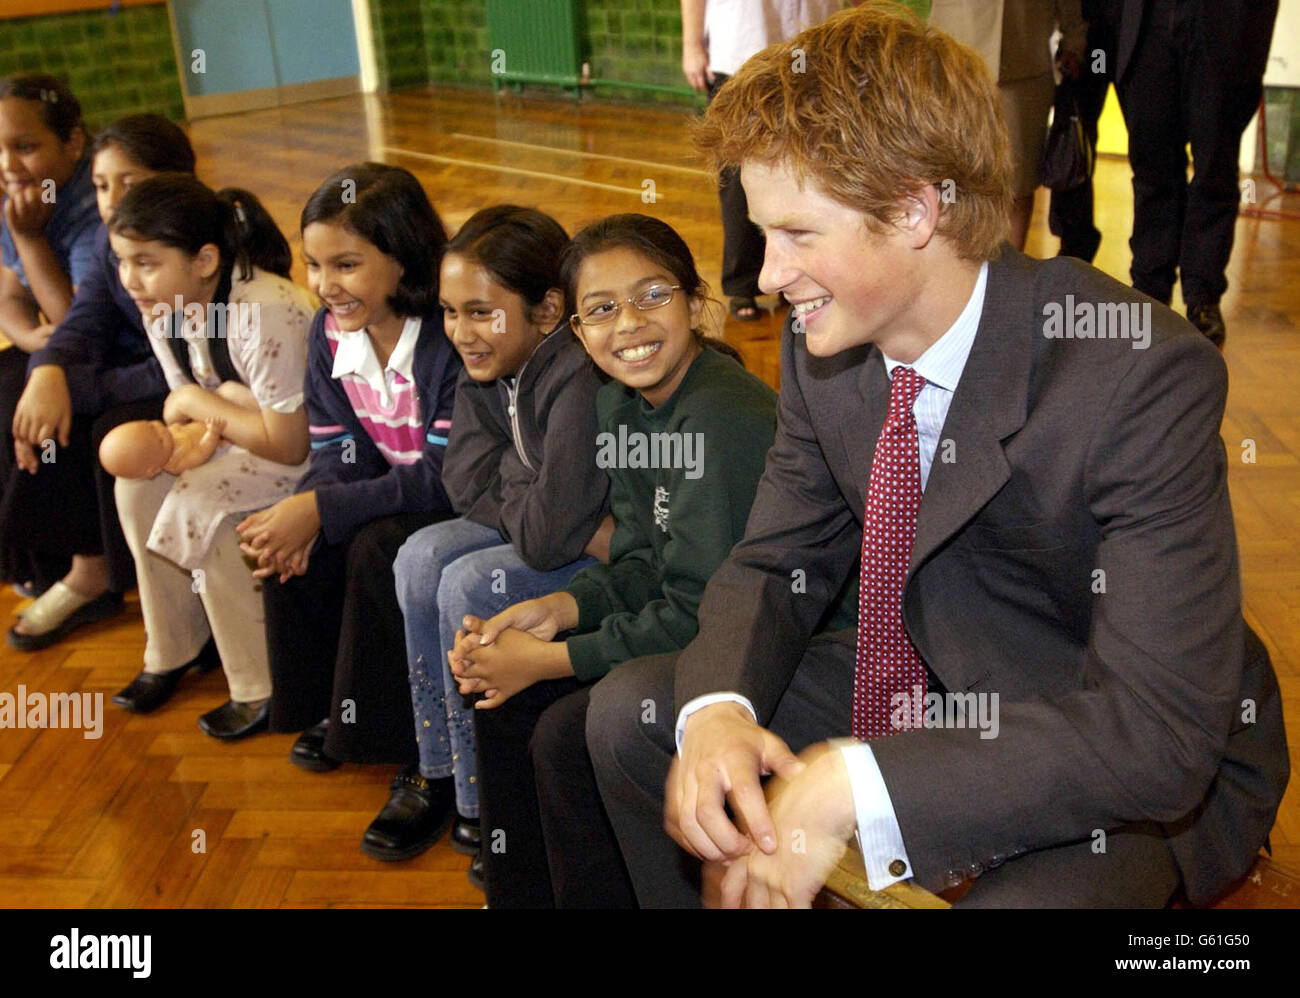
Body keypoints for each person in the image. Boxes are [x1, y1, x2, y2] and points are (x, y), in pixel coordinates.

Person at [580, 3, 1288, 909]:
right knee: (633, 718)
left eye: (797, 234)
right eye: (764, 234)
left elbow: (1155, 736)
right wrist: (719, 710)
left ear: (915, 210)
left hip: (1104, 743)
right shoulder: (822, 347)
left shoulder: (1137, 376)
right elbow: (776, 559)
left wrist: (854, 785)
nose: (765, 275)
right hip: (925, 674)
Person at [448, 213, 787, 907]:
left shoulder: (719, 415)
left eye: (653, 296)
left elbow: (701, 613)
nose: (628, 323)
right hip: (692, 626)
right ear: (576, 331)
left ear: (696, 303)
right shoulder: (622, 410)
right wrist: (555, 610)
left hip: (774, 652)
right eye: (601, 309)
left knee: (573, 725)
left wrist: (547, 659)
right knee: (510, 698)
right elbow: (638, 563)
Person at [356, 206, 612, 881]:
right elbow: (462, 481)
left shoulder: (577, 377)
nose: (460, 333)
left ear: (548, 309)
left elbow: (552, 533)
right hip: (557, 529)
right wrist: (528, 480)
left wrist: (526, 488)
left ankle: (482, 797)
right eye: (448, 311)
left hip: (606, 556)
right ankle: (436, 766)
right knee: (418, 557)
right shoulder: (489, 366)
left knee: (467, 584)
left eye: (480, 312)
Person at [241, 164, 461, 786]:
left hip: (465, 501)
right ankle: (336, 707)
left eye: (345, 265)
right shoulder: (330, 334)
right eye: (313, 265)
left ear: (404, 258)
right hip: (401, 488)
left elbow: (447, 478)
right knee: (291, 530)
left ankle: (408, 747)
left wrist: (325, 510)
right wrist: (310, 511)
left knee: (372, 546)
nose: (323, 285)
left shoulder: (449, 337)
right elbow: (338, 449)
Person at [108, 173, 316, 738]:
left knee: (205, 501)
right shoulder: (163, 310)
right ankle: (176, 644)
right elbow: (197, 419)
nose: (130, 280)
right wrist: (200, 423)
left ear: (204, 260)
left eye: (146, 262)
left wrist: (198, 401)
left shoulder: (263, 308)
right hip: (245, 438)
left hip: (314, 454)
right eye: (122, 261)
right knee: (137, 484)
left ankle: (261, 683)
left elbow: (292, 442)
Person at [4, 114, 194, 648]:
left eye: (129, 184)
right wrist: (48, 371)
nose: (111, 201)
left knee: (94, 421)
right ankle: (53, 558)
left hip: (203, 393)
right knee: (23, 390)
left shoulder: (197, 246)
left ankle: (95, 572)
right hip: (150, 373)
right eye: (101, 186)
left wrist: (77, 387)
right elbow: (82, 321)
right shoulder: (117, 247)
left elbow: (180, 366)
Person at [1111, 0, 1279, 346]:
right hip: (1146, 19)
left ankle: (1203, 296)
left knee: (1214, 167)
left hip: (1221, 21)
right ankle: (1148, 289)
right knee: (1150, 164)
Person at [679, 0, 844, 321]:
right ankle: (742, 282)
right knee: (739, 173)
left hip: (815, 44)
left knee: (810, 169)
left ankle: (801, 274)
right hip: (744, 47)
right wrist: (692, 44)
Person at [929, 0, 1087, 251]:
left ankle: (1007, 279)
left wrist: (1074, 38)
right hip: (953, 56)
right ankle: (952, 268)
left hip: (1024, 59)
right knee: (950, 177)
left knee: (1018, 183)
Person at [1048, 0, 1118, 263]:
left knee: (1153, 157)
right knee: (1074, 133)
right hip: (1091, 33)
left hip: (1134, 28)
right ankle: (1074, 240)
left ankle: (1153, 281)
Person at [99, 416, 228, 479]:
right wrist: (213, 434)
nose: (162, 431)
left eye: (151, 425)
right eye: (161, 441)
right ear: (154, 471)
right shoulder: (177, 463)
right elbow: (202, 452)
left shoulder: (168, 433)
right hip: (221, 443)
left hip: (213, 425)